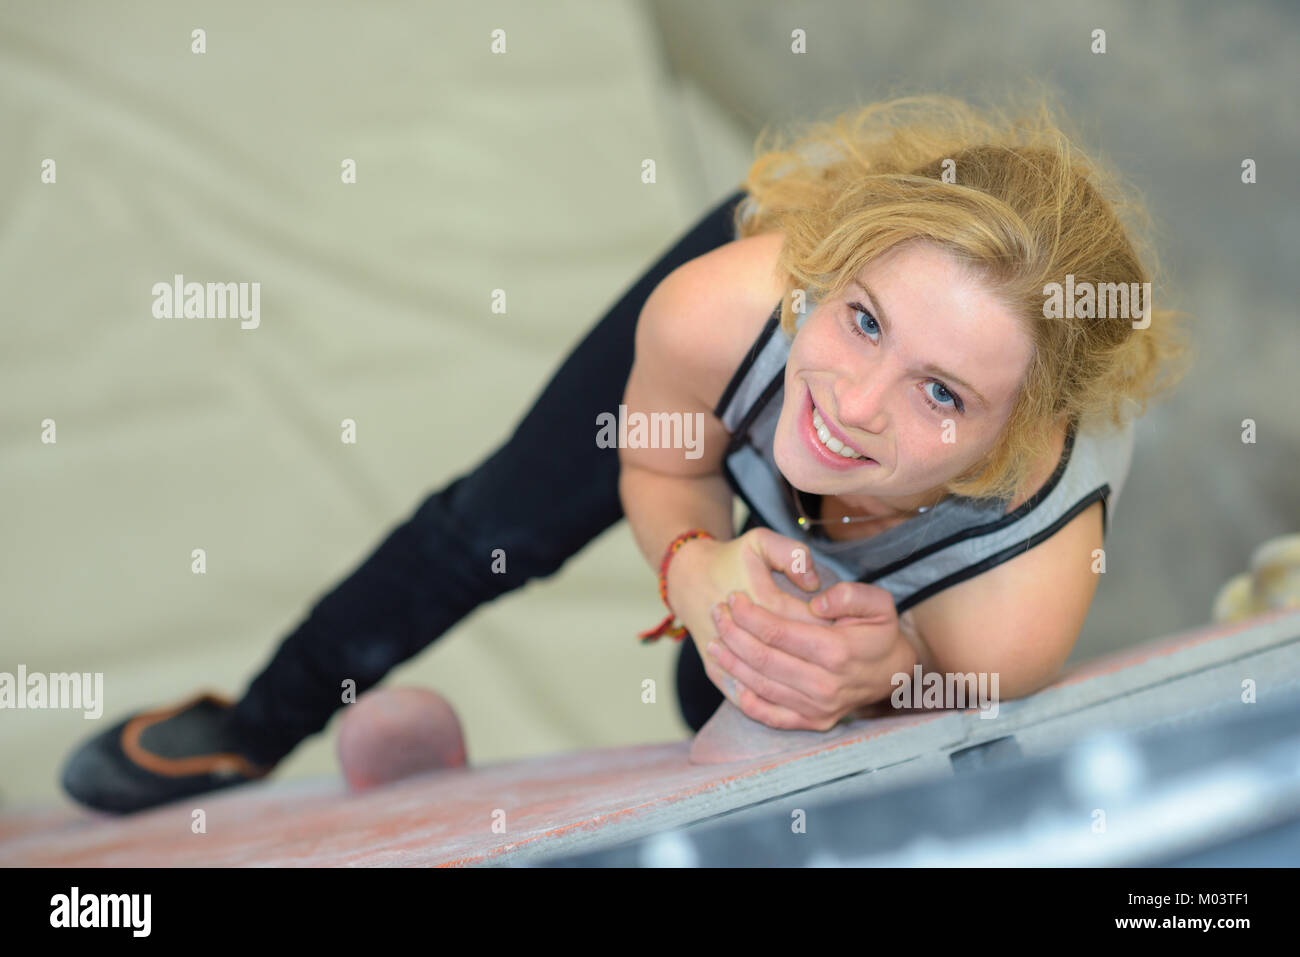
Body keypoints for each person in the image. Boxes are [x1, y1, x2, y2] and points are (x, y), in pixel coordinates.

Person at [60, 93, 1188, 814]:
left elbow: (929, 723)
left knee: (740, 685)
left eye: (941, 394)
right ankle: (254, 726)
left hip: (930, 564)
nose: (853, 406)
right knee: (498, 524)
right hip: (762, 313)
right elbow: (655, 463)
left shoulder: (1013, 607)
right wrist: (692, 558)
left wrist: (886, 676)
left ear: (1009, 436)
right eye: (862, 321)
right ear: (829, 270)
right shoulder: (721, 307)